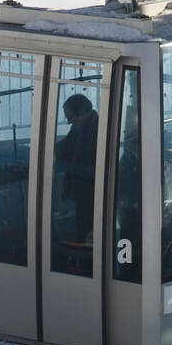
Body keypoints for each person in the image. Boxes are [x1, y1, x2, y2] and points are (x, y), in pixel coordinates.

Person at [58, 93, 98, 242]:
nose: (69, 122)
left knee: (88, 232)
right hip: (82, 192)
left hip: (93, 194)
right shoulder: (79, 128)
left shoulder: (97, 130)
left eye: (71, 118)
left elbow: (91, 165)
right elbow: (65, 148)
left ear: (82, 113)